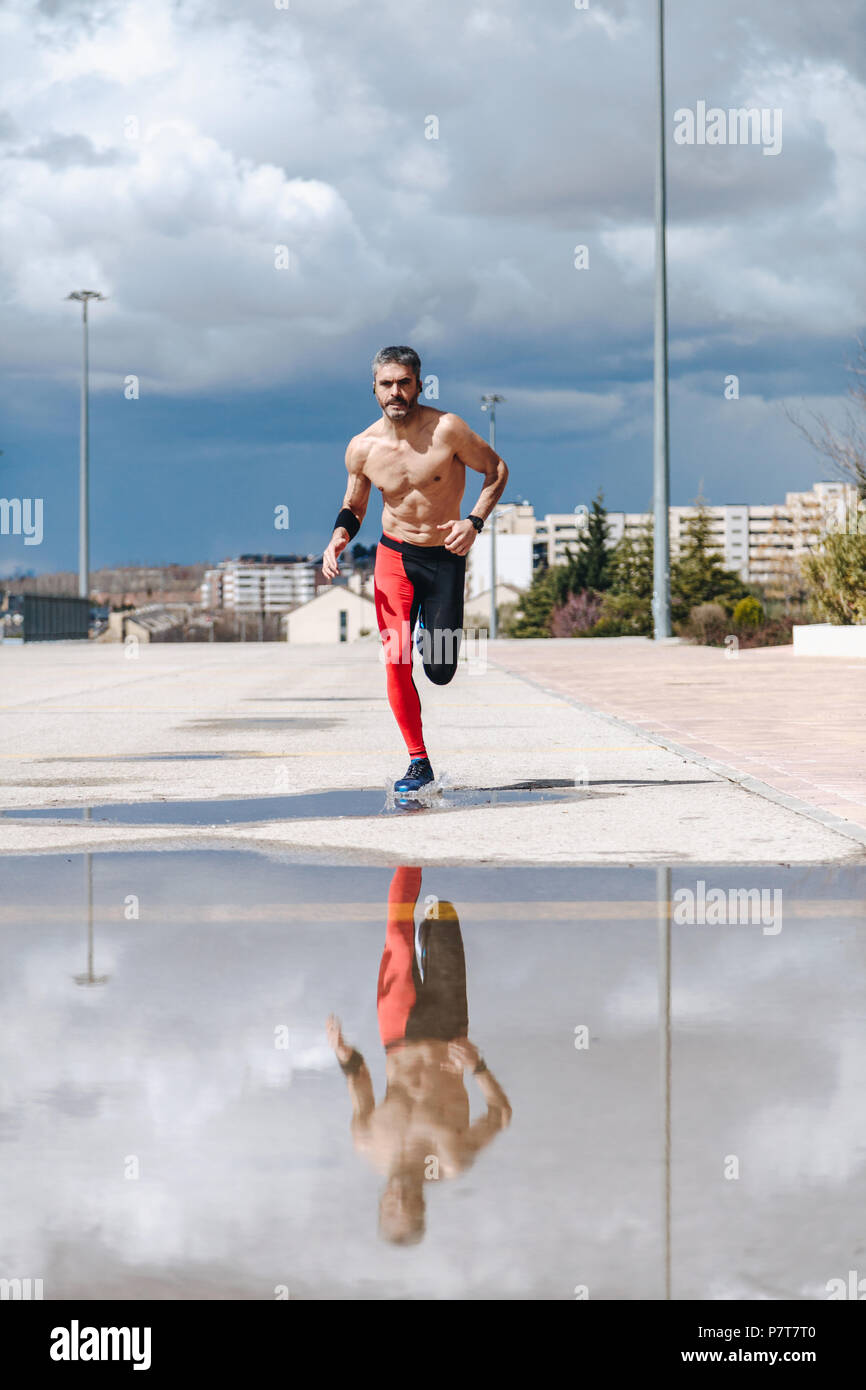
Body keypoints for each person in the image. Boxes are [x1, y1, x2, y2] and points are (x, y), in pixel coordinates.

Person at [322, 347, 509, 792]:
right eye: (387, 384)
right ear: (374, 388)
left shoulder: (448, 430)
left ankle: (430, 628)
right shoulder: (363, 447)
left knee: (441, 671)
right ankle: (418, 760)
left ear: (419, 385)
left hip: (445, 555)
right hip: (395, 557)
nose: (396, 392)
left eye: (404, 382)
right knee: (396, 658)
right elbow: (355, 503)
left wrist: (474, 522)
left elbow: (496, 470)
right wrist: (339, 536)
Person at [326, 865, 512, 1244]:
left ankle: (409, 847)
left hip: (398, 1032)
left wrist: (344, 1054)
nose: (397, 1198)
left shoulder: (367, 1142)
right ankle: (429, 935)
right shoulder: (452, 1160)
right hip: (448, 1028)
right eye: (407, 1206)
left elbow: (360, 1081)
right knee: (441, 914)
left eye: (389, 1207)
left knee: (397, 934)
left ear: (379, 1205)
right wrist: (478, 1067)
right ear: (422, 1206)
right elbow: (500, 1115)